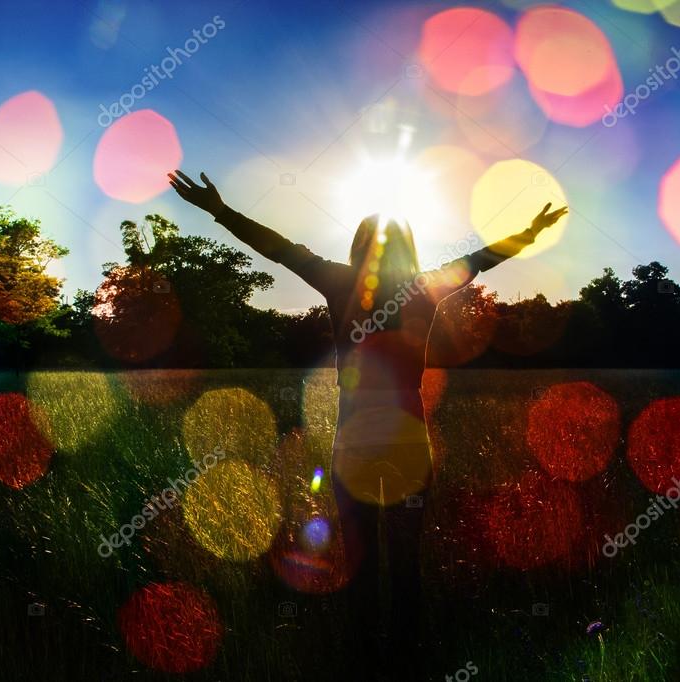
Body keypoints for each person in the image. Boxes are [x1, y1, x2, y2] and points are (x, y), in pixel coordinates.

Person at [169, 169, 567, 679]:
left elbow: (278, 248)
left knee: (364, 560)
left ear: (359, 245)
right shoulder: (425, 286)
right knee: (404, 562)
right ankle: (403, 657)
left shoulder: (340, 281)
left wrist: (220, 211)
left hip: (355, 441)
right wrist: (530, 232)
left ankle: (364, 658)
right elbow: (483, 258)